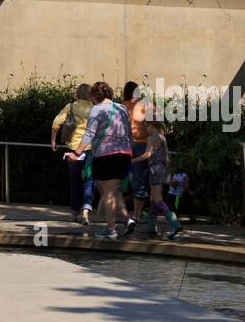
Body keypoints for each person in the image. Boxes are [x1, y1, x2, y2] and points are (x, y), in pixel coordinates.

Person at [71, 83, 132, 240]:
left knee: (109, 194)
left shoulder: (97, 109)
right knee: (109, 190)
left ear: (94, 95)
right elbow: (128, 131)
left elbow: (89, 134)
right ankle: (126, 219)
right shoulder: (122, 108)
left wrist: (77, 153)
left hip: (106, 155)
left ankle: (111, 229)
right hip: (125, 153)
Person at [51, 84, 93, 223]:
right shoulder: (94, 108)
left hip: (73, 149)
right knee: (88, 181)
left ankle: (74, 213)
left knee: (75, 182)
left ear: (77, 93)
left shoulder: (70, 107)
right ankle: (86, 211)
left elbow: (56, 123)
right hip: (90, 148)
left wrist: (53, 141)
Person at [135, 118, 179, 237]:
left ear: (152, 126)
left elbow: (147, 154)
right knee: (153, 198)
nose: (146, 129)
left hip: (155, 169)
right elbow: (167, 157)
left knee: (157, 199)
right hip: (163, 169)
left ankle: (174, 222)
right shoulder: (162, 137)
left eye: (146, 126)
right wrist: (168, 173)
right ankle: (152, 226)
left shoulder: (151, 138)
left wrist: (133, 160)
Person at [123, 80, 150, 236]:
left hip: (126, 144)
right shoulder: (146, 104)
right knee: (140, 181)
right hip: (142, 144)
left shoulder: (122, 106)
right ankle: (136, 215)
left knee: (119, 180)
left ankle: (128, 214)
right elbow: (155, 124)